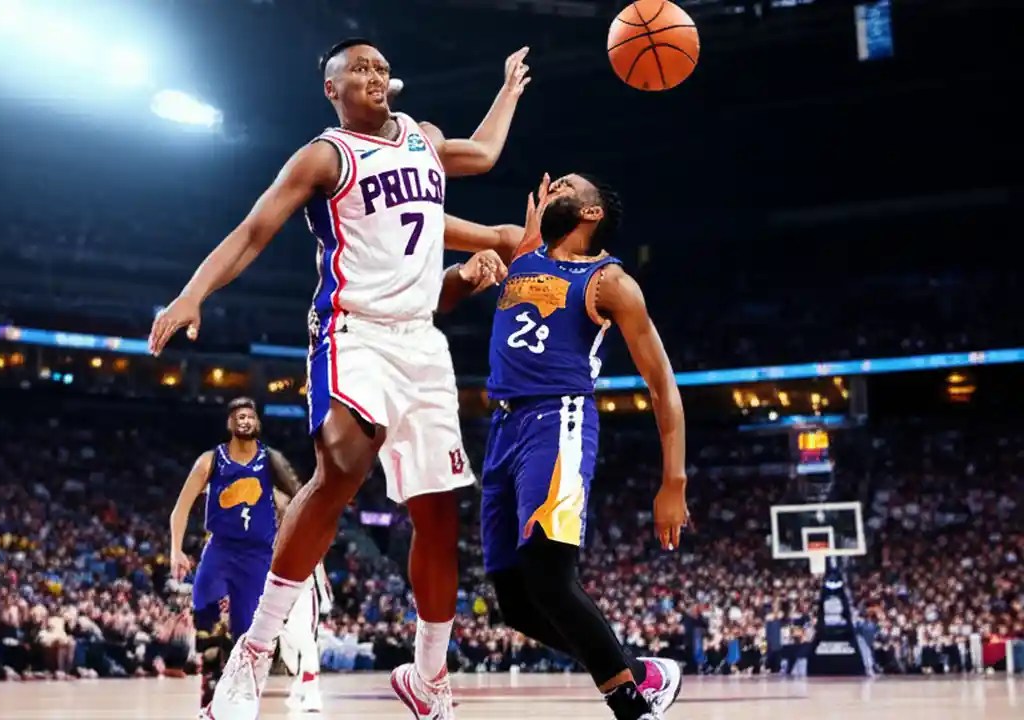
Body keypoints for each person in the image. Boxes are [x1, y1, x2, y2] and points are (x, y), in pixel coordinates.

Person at [149, 36, 529, 720]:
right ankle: (255, 652)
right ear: (333, 88)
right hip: (350, 331)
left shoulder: (424, 138)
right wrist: (191, 293)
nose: (375, 75)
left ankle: (430, 676)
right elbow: (250, 230)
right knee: (345, 462)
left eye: (382, 66)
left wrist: (508, 87)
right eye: (359, 68)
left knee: (439, 517)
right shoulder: (325, 155)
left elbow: (487, 152)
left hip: (421, 341)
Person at [442, 174, 691, 720]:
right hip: (502, 429)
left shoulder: (611, 283)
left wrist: (673, 483)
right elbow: (433, 227)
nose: (554, 184)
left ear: (592, 211)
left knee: (550, 578)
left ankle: (633, 706)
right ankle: (644, 672)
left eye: (569, 185)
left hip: (559, 419)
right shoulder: (519, 245)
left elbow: (662, 385)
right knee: (515, 602)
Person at [169, 397, 302, 710]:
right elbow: (181, 508)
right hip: (221, 548)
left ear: (257, 423)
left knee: (248, 632)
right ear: (230, 423)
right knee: (205, 607)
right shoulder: (211, 461)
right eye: (239, 416)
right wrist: (176, 549)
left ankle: (240, 694)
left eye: (250, 416)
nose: (244, 421)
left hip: (257, 555)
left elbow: (297, 496)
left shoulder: (271, 460)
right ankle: (210, 681)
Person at [279, 561, 332, 713]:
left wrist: (324, 595)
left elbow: (318, 563)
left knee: (308, 645)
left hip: (304, 593)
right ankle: (300, 686)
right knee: (290, 657)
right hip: (277, 592)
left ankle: (312, 693)